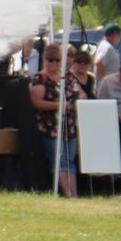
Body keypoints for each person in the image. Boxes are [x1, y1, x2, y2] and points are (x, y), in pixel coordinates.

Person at [29, 44, 76, 197]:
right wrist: (60, 105)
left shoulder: (67, 76)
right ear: (44, 60)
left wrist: (77, 99)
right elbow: (37, 102)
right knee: (59, 160)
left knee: (70, 160)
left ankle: (74, 194)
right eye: (50, 60)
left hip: (69, 125)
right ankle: (67, 193)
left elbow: (80, 92)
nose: (54, 63)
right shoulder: (40, 78)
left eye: (57, 60)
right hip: (50, 126)